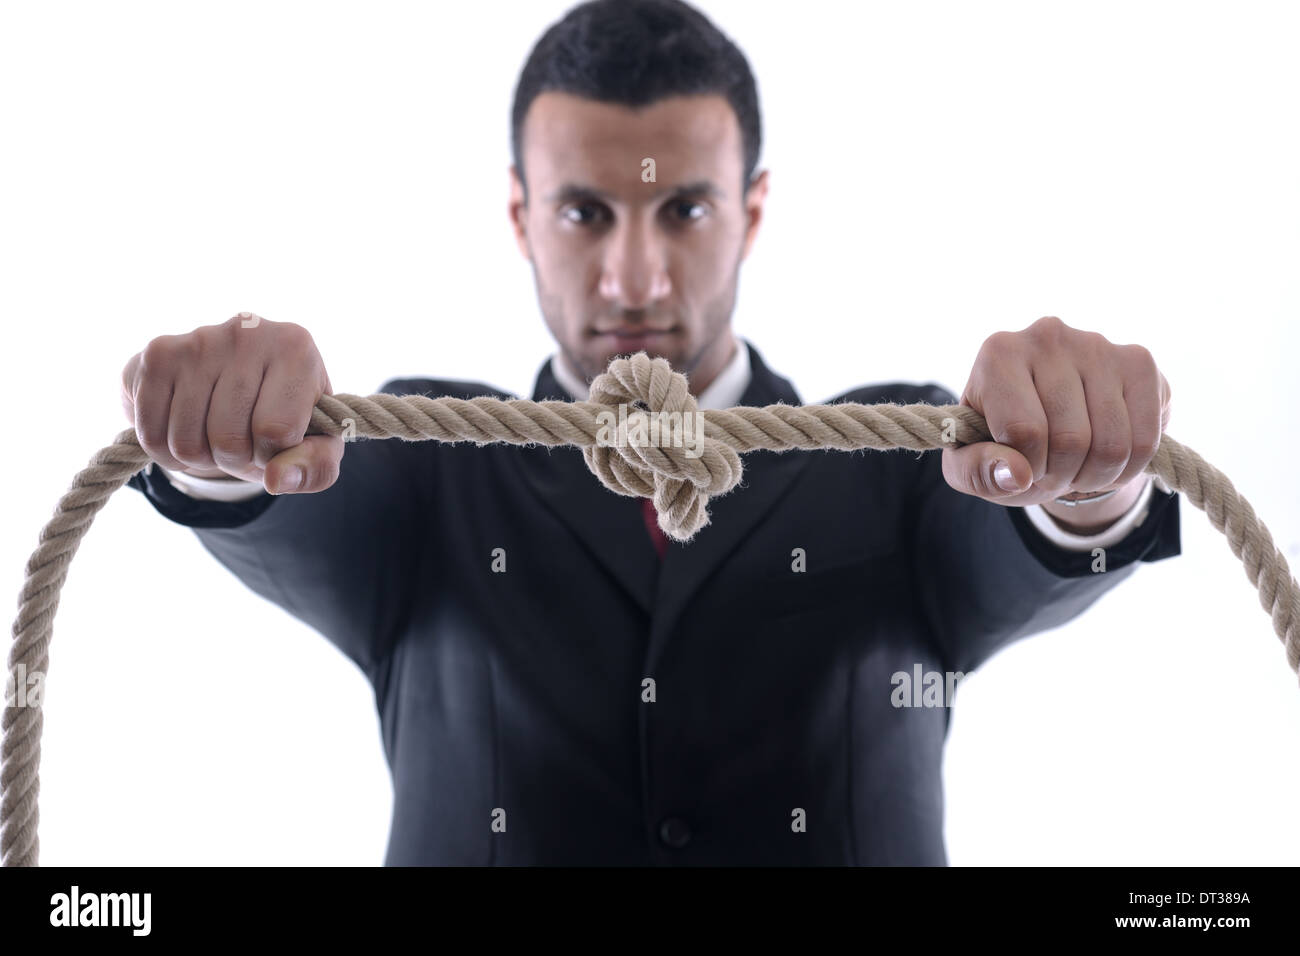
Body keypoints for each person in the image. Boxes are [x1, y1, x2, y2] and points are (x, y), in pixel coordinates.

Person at [120, 0, 1180, 865]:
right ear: (519, 215)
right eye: (585, 212)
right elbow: (293, 499)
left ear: (751, 212)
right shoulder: (424, 462)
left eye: (685, 209)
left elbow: (1020, 534)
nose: (636, 278)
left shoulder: (901, 456)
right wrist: (226, 444)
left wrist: (1081, 474)